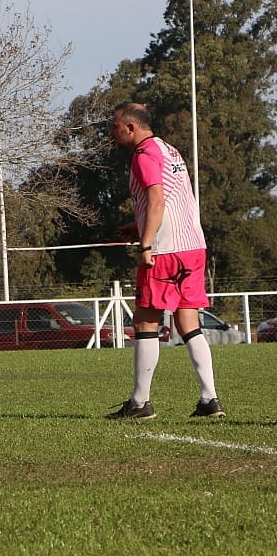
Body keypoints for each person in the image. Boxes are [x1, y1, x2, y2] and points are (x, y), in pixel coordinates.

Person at [105, 102, 223, 420]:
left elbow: (156, 199)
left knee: (145, 322)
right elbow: (170, 201)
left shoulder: (144, 156)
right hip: (193, 247)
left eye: (114, 125)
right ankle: (210, 399)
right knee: (188, 322)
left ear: (130, 127)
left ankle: (140, 403)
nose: (112, 132)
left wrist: (146, 242)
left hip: (165, 251)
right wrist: (138, 225)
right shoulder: (170, 151)